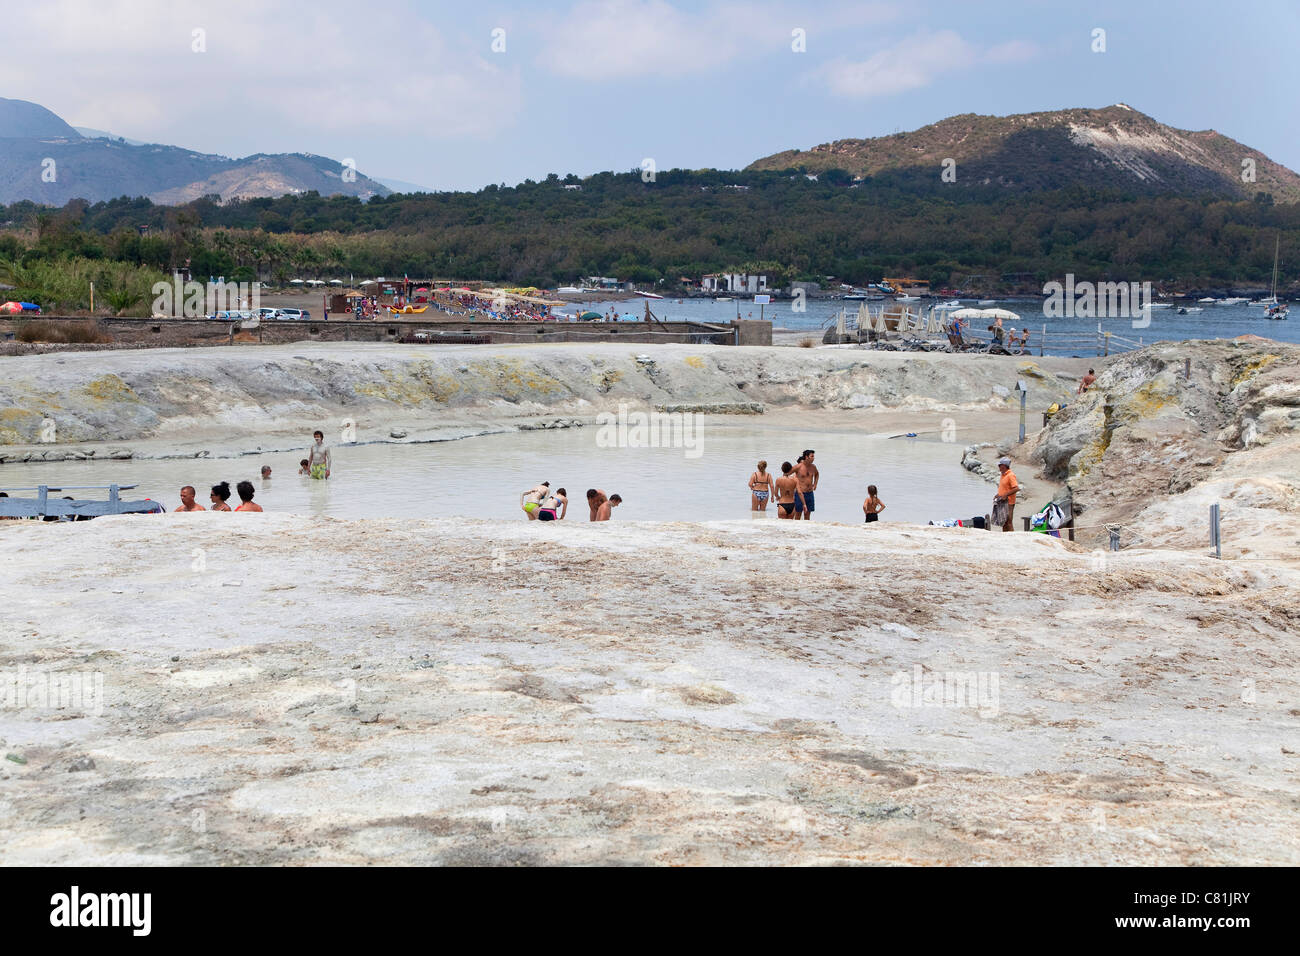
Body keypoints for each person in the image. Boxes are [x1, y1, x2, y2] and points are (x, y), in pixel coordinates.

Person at [994, 457, 1020, 532]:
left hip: (1009, 502)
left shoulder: (1010, 475)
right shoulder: (1003, 475)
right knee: (1004, 521)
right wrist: (998, 494)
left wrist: (1005, 495)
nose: (998, 467)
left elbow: (1016, 488)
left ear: (1004, 466)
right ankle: (1005, 536)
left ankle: (1012, 536)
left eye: (1000, 465)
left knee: (1008, 521)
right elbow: (1004, 488)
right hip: (1002, 501)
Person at [794, 449, 818, 520]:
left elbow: (817, 474)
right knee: (798, 514)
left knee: (807, 515)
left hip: (810, 493)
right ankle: (796, 529)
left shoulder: (812, 467)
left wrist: (815, 484)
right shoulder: (797, 470)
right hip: (800, 493)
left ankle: (806, 530)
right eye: (812, 456)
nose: (814, 458)